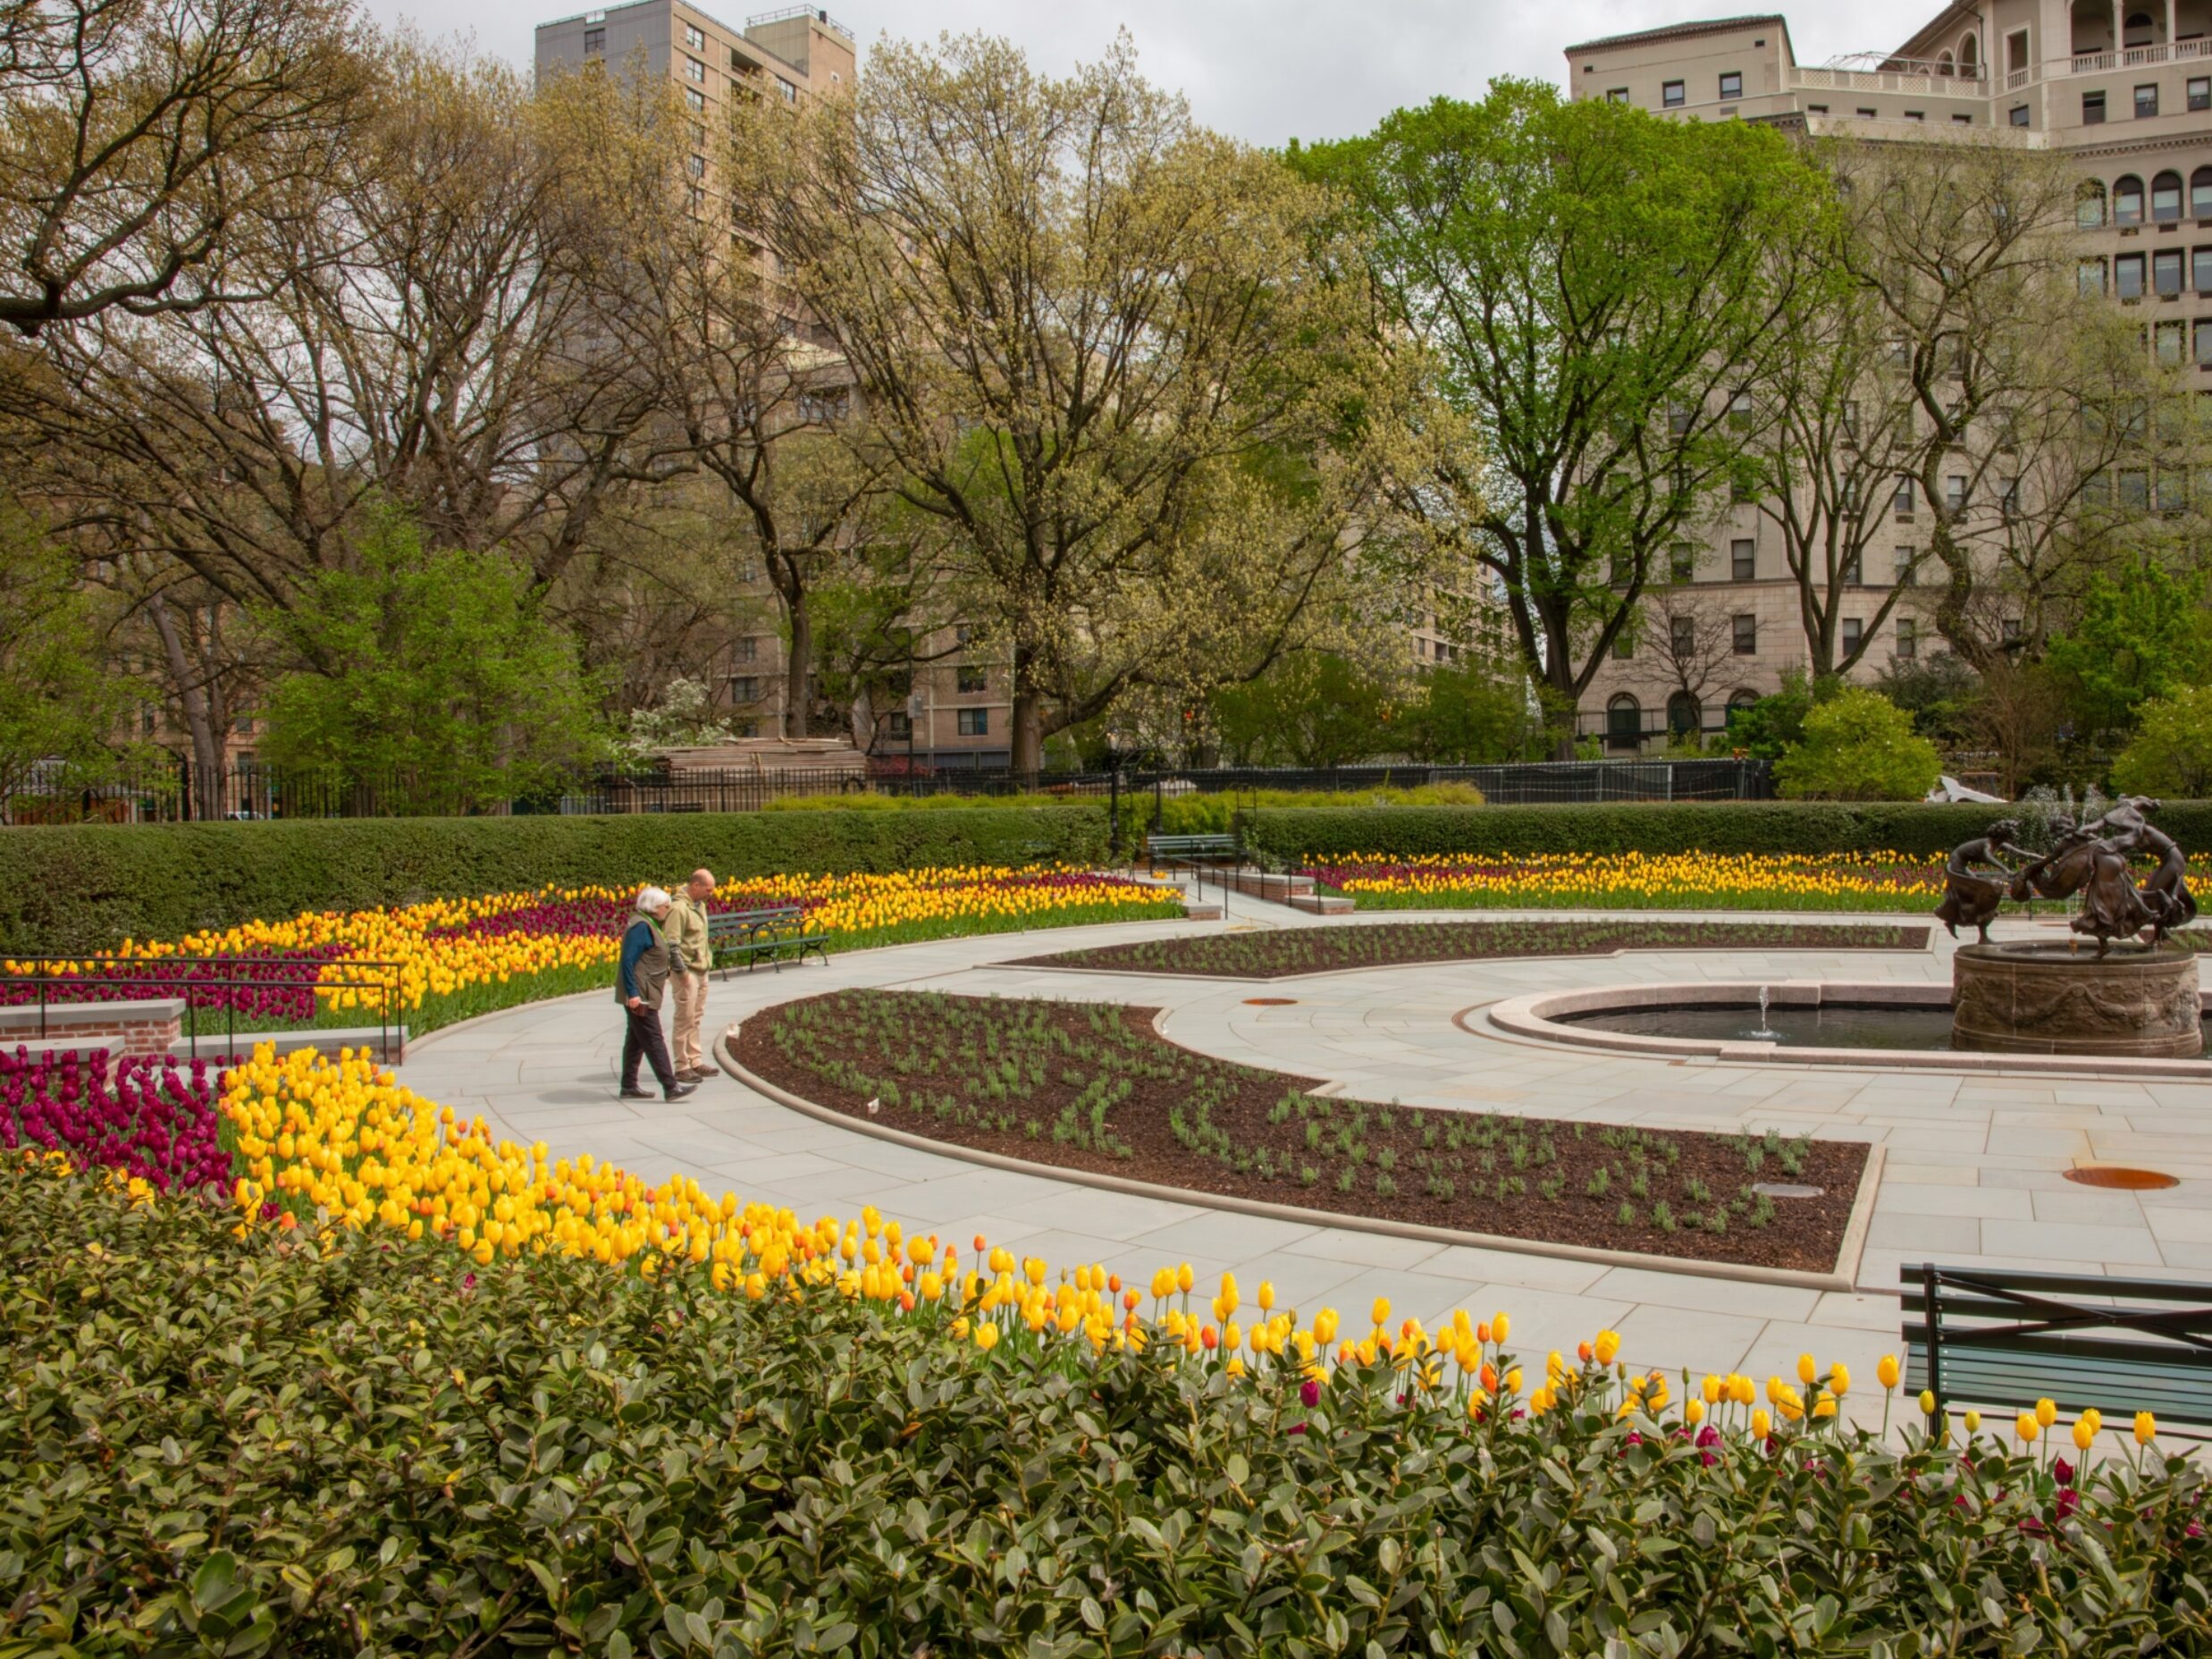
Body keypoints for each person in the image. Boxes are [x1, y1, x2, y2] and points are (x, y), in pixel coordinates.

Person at [617, 886, 695, 1101]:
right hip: (641, 994)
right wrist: (633, 993)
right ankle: (670, 1087)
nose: (668, 910)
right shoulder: (641, 927)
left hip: (645, 990)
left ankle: (628, 1085)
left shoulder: (647, 923)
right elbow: (628, 961)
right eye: (665, 907)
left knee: (636, 1039)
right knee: (653, 1038)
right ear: (653, 907)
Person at [663, 866, 717, 1081]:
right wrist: (682, 973)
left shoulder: (699, 906)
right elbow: (672, 945)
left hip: (701, 970)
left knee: (695, 1017)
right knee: (684, 1018)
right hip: (687, 972)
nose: (710, 894)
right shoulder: (678, 908)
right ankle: (681, 1065)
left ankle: (695, 1060)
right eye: (708, 889)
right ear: (696, 885)